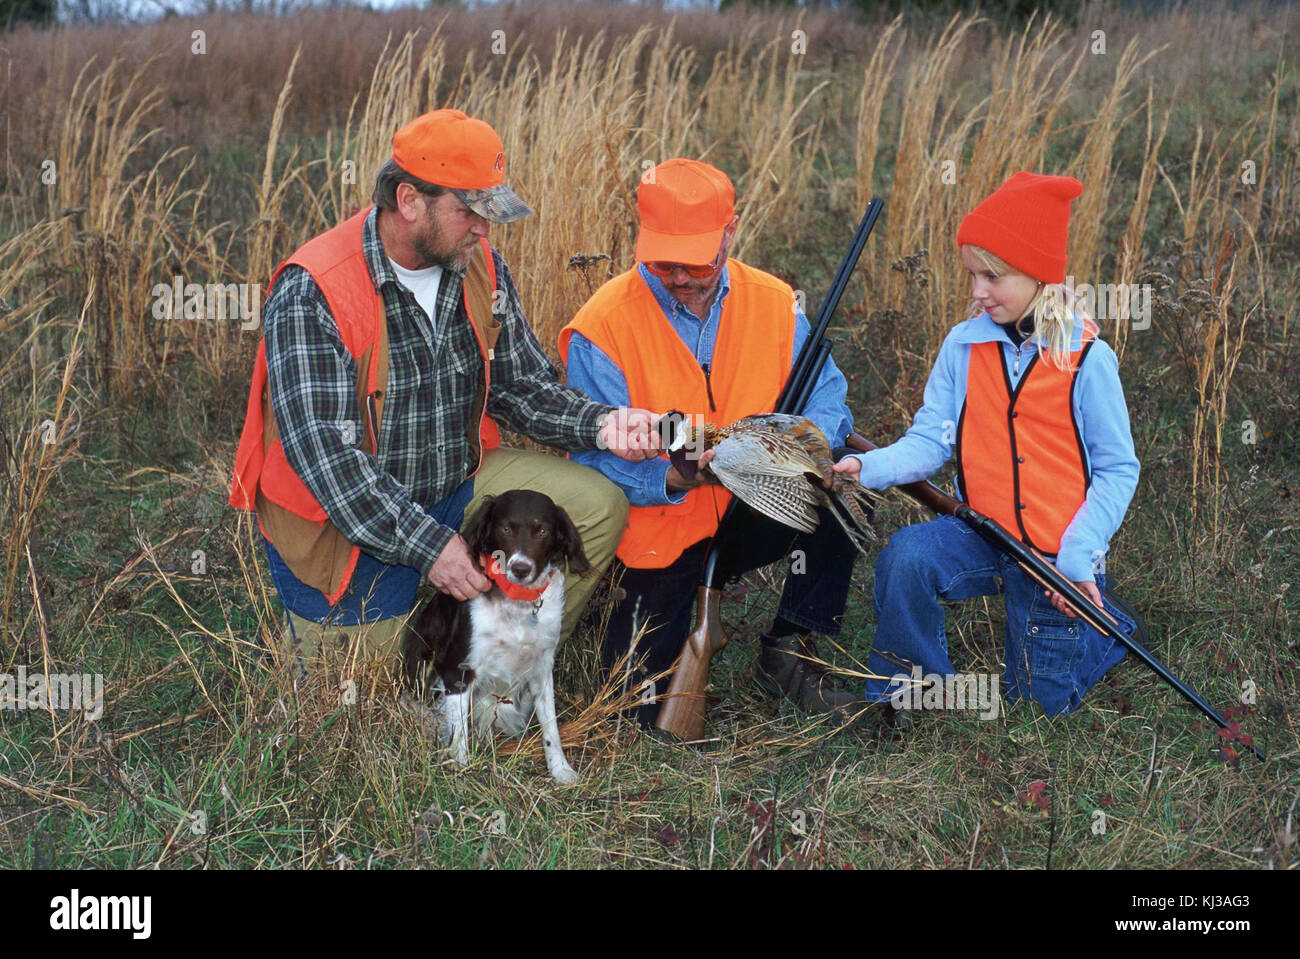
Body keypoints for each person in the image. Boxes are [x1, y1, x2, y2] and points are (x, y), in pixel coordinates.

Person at [229, 109, 660, 674]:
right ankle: (427, 636)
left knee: (598, 507)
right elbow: (329, 461)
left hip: (458, 488)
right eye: (469, 213)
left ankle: (504, 665)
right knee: (363, 704)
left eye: (490, 213)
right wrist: (430, 548)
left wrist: (602, 425)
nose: (485, 230)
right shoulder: (314, 289)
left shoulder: (479, 266)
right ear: (410, 202)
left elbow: (522, 385)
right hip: (344, 526)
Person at [559, 158, 864, 727]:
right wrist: (674, 478)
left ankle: (790, 645)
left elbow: (828, 395)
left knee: (850, 485)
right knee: (637, 711)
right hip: (658, 531)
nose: (678, 276)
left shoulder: (774, 302)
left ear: (731, 232)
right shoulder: (603, 327)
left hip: (758, 508)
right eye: (663, 260)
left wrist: (809, 446)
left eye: (695, 260)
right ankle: (653, 603)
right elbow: (591, 466)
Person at [835, 171, 1141, 723]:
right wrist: (866, 466)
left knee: (1038, 708)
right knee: (907, 557)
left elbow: (1119, 470)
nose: (978, 292)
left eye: (993, 277)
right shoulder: (964, 344)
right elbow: (931, 441)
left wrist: (1076, 559)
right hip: (979, 531)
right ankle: (915, 690)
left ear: (1040, 275)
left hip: (1057, 553)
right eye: (973, 274)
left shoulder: (1090, 361)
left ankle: (1106, 627)